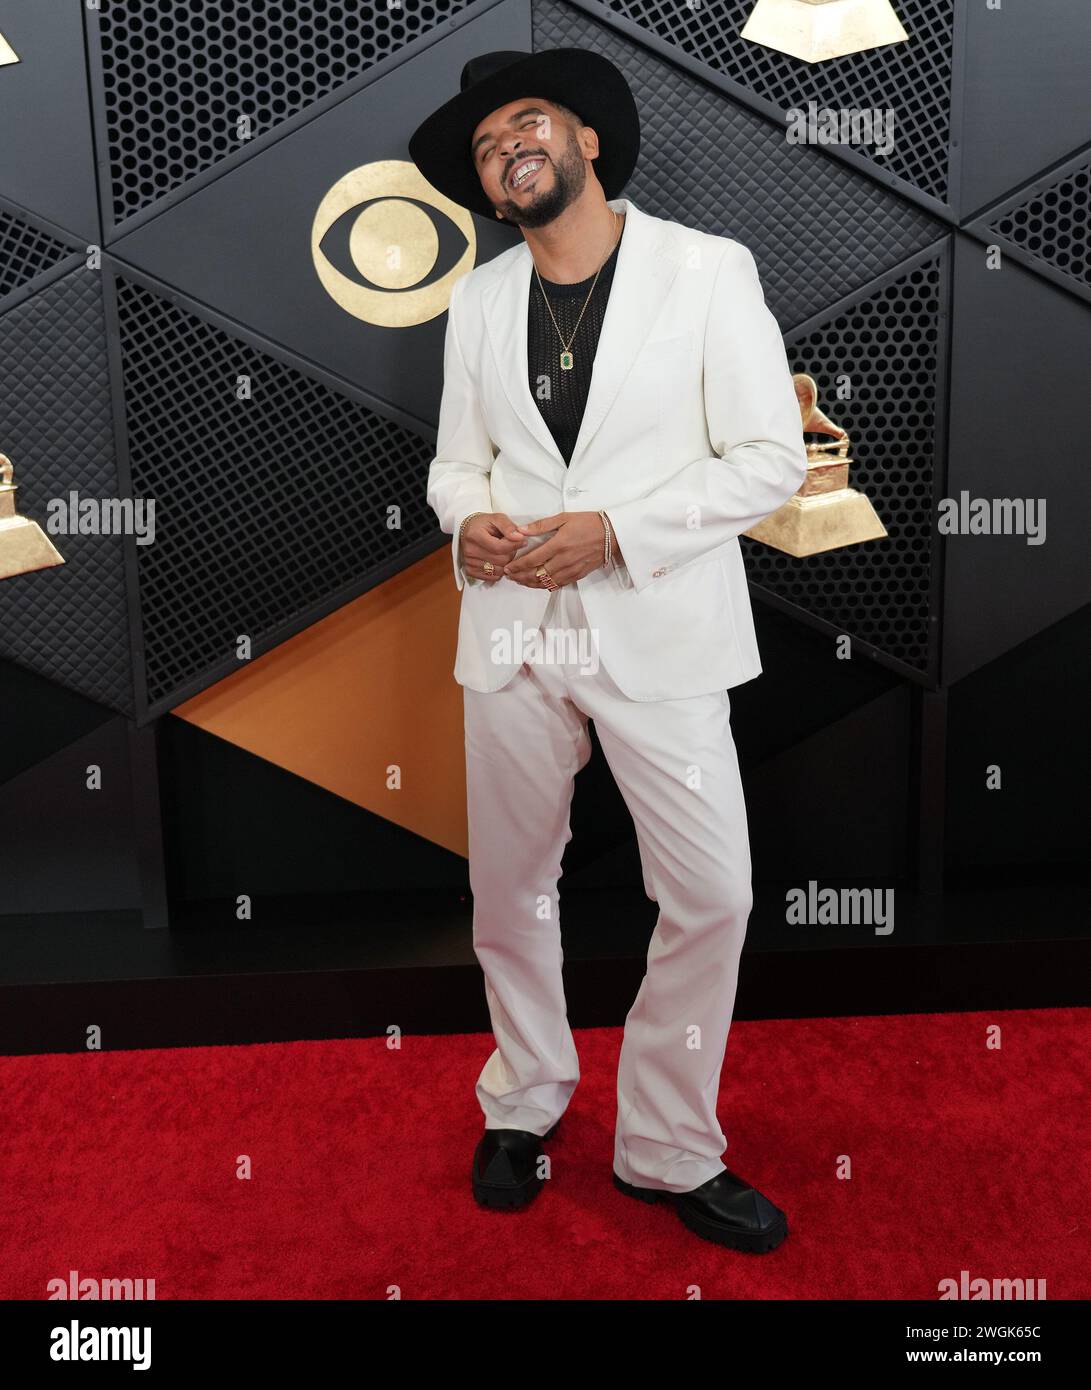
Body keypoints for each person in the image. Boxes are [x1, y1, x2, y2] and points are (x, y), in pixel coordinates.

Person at [409, 48, 807, 1252]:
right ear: (485, 191)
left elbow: (768, 460)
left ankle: (666, 1143)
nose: (506, 150)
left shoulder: (704, 270)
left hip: (661, 631)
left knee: (711, 894)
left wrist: (615, 535)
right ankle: (524, 1098)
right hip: (511, 630)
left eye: (525, 125)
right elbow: (451, 460)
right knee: (509, 889)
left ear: (585, 138)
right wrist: (460, 515)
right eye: (485, 148)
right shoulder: (475, 301)